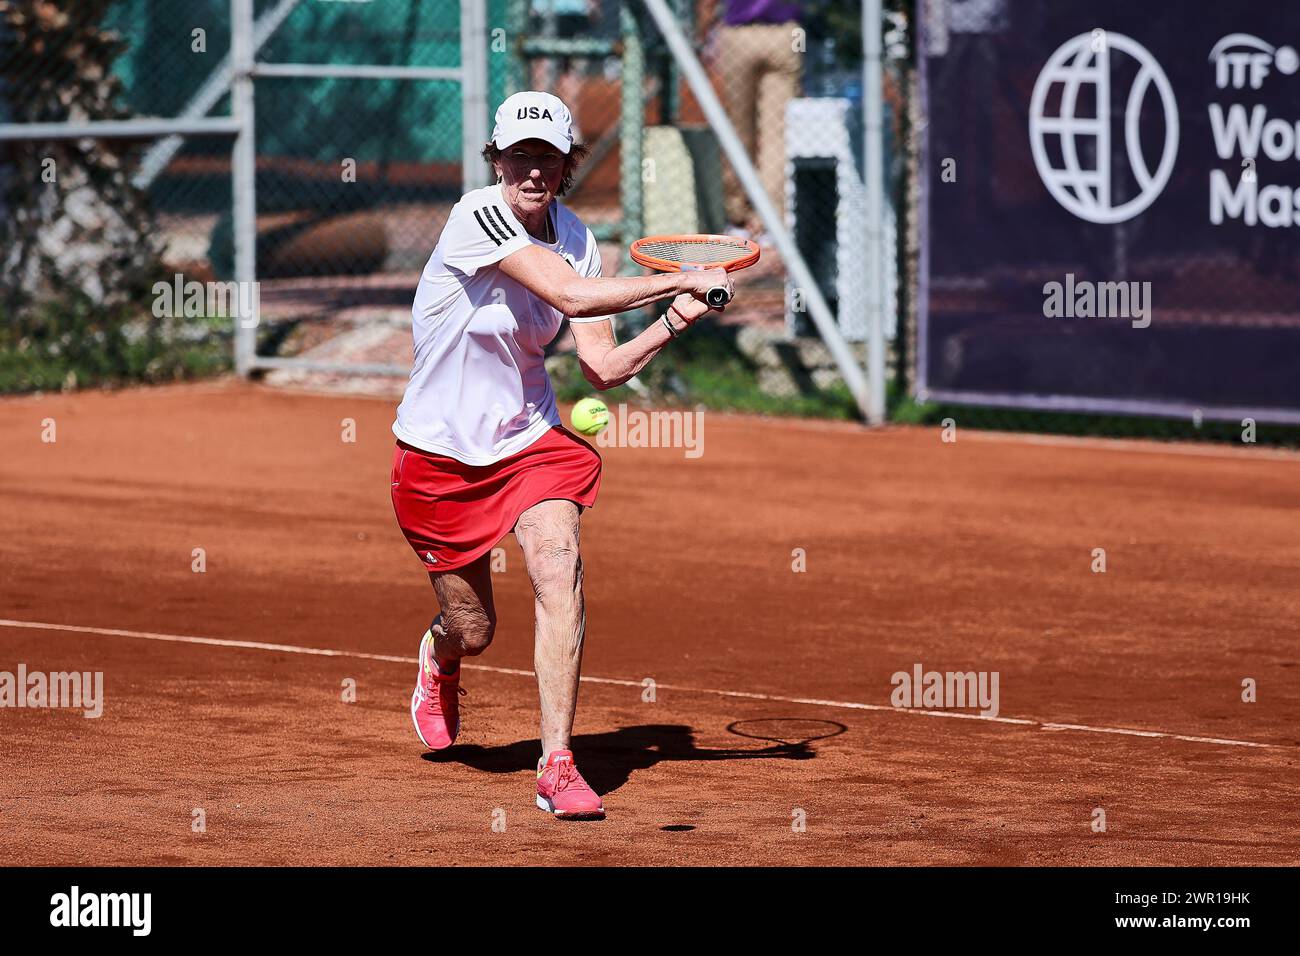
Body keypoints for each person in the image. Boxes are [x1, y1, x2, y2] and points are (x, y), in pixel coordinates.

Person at [390, 91, 733, 820]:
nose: (533, 170)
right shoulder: (475, 215)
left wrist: (673, 321)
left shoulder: (577, 235)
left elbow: (601, 370)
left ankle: (557, 764)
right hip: (439, 455)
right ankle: (441, 655)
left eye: (549, 157)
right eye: (520, 155)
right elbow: (572, 300)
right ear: (496, 160)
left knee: (557, 561)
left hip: (526, 437)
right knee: (475, 628)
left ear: (569, 165)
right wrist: (679, 275)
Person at [701, 0, 804, 240]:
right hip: (787, 34)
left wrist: (705, 31)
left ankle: (738, 217)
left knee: (737, 131)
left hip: (739, 32)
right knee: (777, 134)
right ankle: (769, 221)